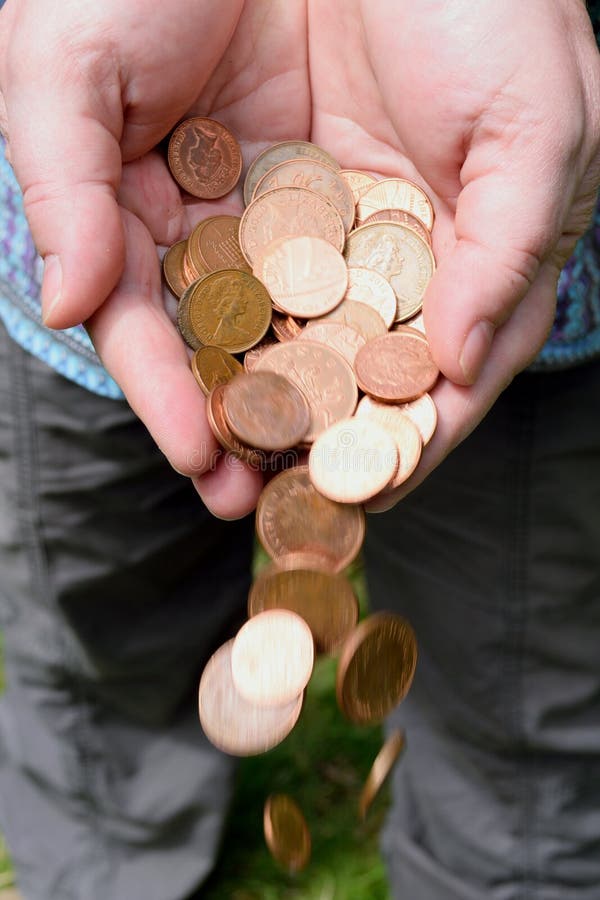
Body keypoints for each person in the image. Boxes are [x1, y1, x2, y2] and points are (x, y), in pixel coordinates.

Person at [0, 1, 598, 897]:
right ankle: (105, 864)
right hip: (112, 195)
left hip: (488, 218)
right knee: (102, 647)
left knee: (512, 692)